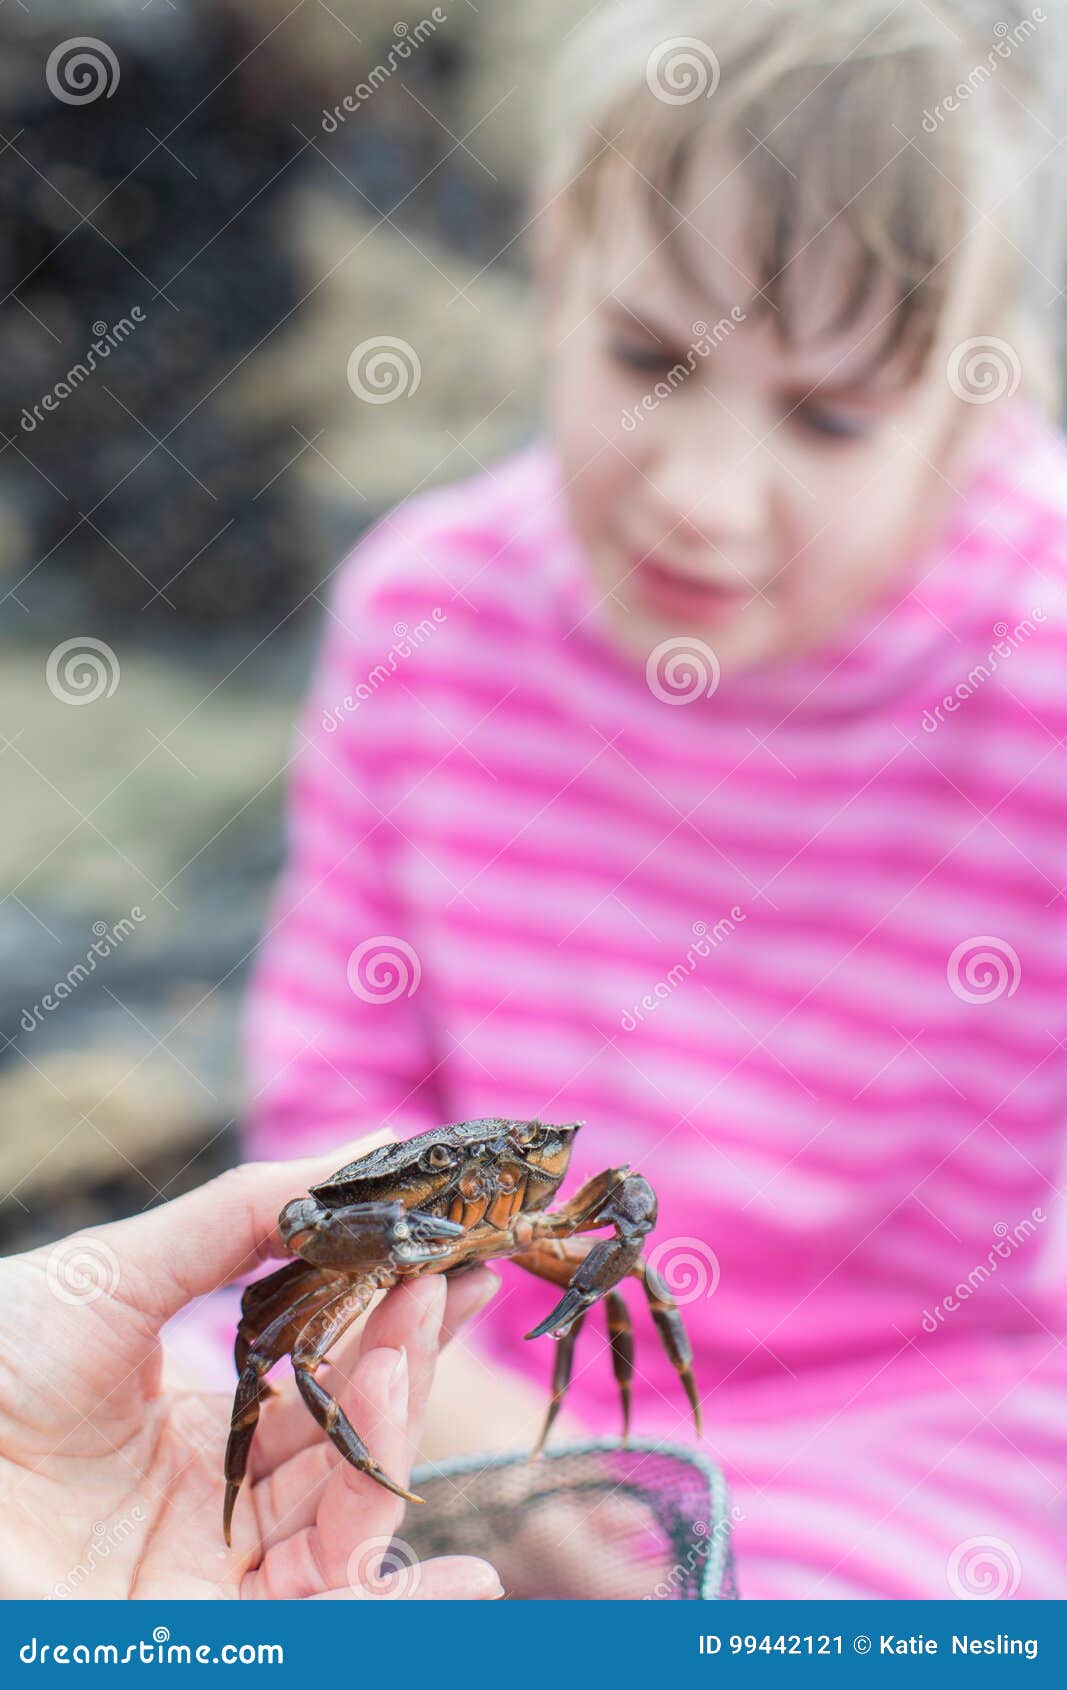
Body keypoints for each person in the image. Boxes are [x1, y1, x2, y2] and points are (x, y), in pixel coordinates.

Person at [214, 0, 1067, 1597]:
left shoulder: (1038, 677)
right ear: (551, 269)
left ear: (974, 405)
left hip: (919, 1412)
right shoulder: (430, 617)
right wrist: (481, 1443)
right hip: (459, 1352)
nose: (698, 488)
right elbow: (334, 1103)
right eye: (646, 357)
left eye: (824, 415)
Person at [0, 1134, 503, 1600]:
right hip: (354, 1263)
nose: (474, 1179)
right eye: (437, 1164)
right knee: (281, 1357)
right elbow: (262, 1320)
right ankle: (255, 1494)